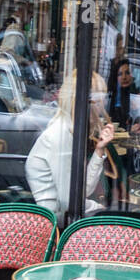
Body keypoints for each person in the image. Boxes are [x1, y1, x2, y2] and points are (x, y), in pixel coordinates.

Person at [26, 71, 117, 217]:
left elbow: (81, 190)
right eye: (101, 98)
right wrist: (100, 209)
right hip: (55, 224)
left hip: (62, 217)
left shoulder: (68, 131)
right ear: (88, 102)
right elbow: (69, 201)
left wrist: (99, 151)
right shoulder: (59, 136)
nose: (105, 103)